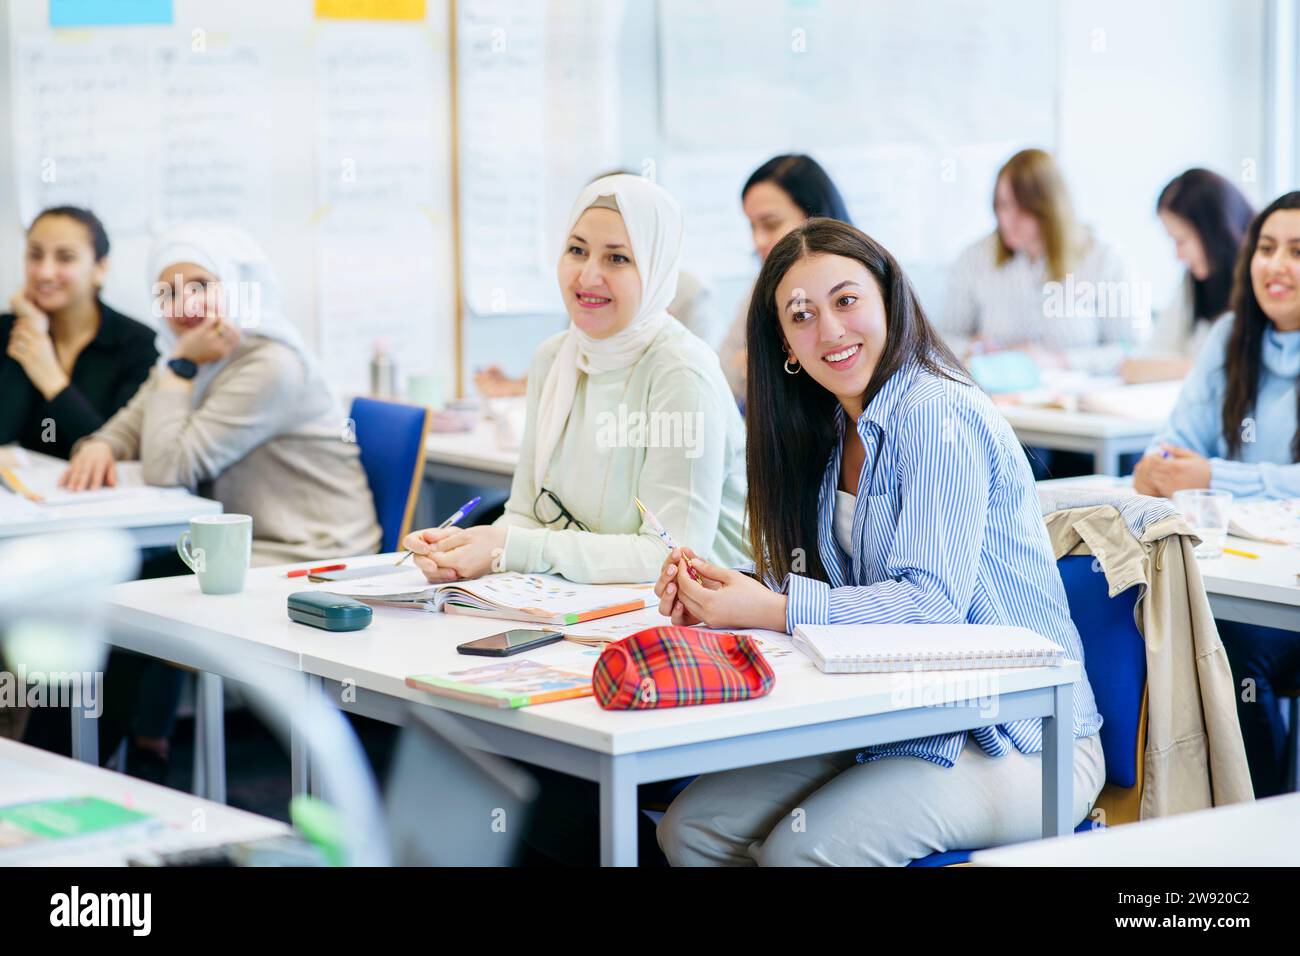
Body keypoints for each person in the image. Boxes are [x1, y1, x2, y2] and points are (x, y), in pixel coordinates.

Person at [652, 218, 1105, 866]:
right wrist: (728, 589)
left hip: (1019, 737)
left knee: (797, 852)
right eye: (801, 315)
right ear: (783, 341)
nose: (830, 331)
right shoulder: (834, 428)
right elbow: (842, 591)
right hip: (890, 714)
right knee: (689, 830)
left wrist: (774, 609)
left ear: (887, 299)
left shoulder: (937, 414)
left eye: (845, 301)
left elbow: (930, 610)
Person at [404, 173, 748, 587]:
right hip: (580, 604)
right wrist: (468, 550)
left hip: (695, 619)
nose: (587, 277)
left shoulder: (681, 372)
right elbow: (527, 515)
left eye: (617, 258)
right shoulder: (555, 358)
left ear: (656, 269)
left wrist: (511, 548)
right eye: (577, 250)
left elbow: (670, 554)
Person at [62, 223, 381, 564]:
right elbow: (128, 426)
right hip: (234, 544)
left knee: (116, 577)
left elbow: (167, 469)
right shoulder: (191, 352)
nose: (185, 303)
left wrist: (182, 363)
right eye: (168, 293)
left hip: (307, 555)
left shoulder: (271, 364)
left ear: (234, 286)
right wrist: (100, 445)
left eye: (201, 286)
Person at [1133, 192, 1300, 797]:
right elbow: (1177, 442)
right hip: (1236, 571)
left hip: (1285, 599)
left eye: (1297, 252)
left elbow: (1207, 470)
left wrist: (1212, 476)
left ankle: (1261, 828)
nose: (1275, 265)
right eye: (1266, 248)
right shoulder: (1233, 335)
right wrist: (1160, 465)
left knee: (1235, 654)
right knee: (1153, 629)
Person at [942, 148, 1147, 374]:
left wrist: (1060, 361)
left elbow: (1133, 350)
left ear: (1050, 209)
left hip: (1076, 399)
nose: (1008, 219)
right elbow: (941, 342)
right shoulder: (975, 258)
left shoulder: (1105, 258)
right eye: (1002, 205)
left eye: (1023, 209)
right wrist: (974, 348)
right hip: (997, 397)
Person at [0, 207, 156, 458]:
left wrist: (50, 378)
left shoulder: (138, 344)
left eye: (65, 258)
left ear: (100, 269)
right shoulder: (8, 330)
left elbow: (106, 450)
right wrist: (29, 327)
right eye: (35, 255)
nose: (45, 272)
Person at [717, 154, 852, 403]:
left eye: (770, 224)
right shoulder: (763, 285)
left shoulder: (865, 277)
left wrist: (758, 360)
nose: (758, 241)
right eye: (752, 226)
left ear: (814, 217)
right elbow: (726, 371)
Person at [1121, 168, 1255, 383]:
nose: (1177, 255)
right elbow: (1143, 362)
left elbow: (1237, 370)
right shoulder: (1193, 282)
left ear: (1215, 231)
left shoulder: (1259, 283)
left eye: (1181, 240)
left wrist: (1189, 368)